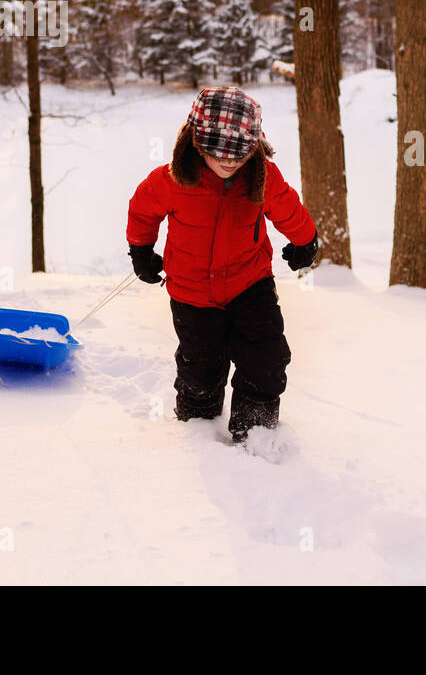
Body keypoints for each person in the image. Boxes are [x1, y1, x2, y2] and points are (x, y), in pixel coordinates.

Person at [126, 87, 318, 444]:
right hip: (192, 295)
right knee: (200, 370)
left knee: (267, 359)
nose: (229, 162)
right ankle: (198, 427)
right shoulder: (172, 178)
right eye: (218, 154)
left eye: (239, 154)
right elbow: (142, 209)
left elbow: (288, 208)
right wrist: (141, 250)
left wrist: (305, 241)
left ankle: (256, 431)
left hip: (251, 285)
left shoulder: (262, 177)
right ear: (195, 141)